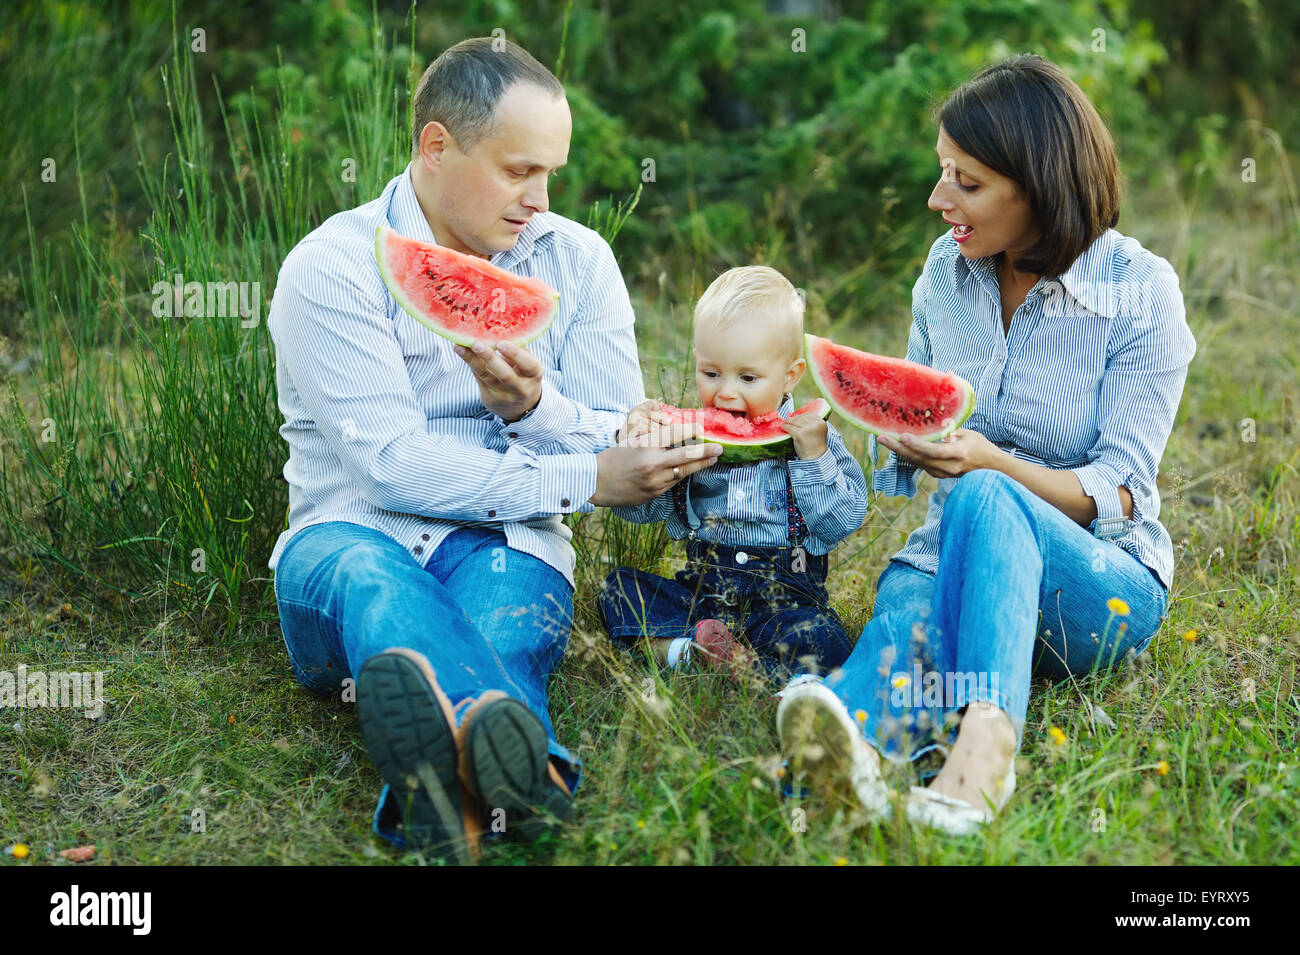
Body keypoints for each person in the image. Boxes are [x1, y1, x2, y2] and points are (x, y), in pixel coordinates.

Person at [267, 37, 720, 861]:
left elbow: (614, 423)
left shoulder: (578, 261)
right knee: (382, 587)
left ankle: (458, 799)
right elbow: (392, 465)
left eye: (552, 173)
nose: (541, 200)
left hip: (507, 545)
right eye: (519, 171)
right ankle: (525, 770)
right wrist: (583, 475)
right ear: (436, 147)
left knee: (502, 623)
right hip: (346, 541)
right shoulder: (329, 268)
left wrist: (538, 408)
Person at [777, 54, 1196, 833]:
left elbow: (1124, 491)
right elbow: (909, 451)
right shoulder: (946, 272)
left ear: (1038, 186)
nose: (939, 200)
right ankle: (849, 744)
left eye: (965, 183)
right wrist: (897, 446)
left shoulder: (1141, 290)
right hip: (953, 560)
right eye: (943, 173)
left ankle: (985, 753)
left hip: (1098, 588)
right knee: (901, 621)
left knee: (984, 492)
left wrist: (991, 465)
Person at [597, 266, 867, 683]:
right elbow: (640, 513)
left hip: (786, 600)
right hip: (703, 597)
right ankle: (689, 651)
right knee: (619, 589)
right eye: (711, 373)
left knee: (822, 637)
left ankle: (755, 673)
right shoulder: (687, 437)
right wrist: (642, 454)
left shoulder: (815, 438)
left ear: (790, 375)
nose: (725, 392)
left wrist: (813, 460)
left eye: (747, 377)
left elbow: (839, 524)